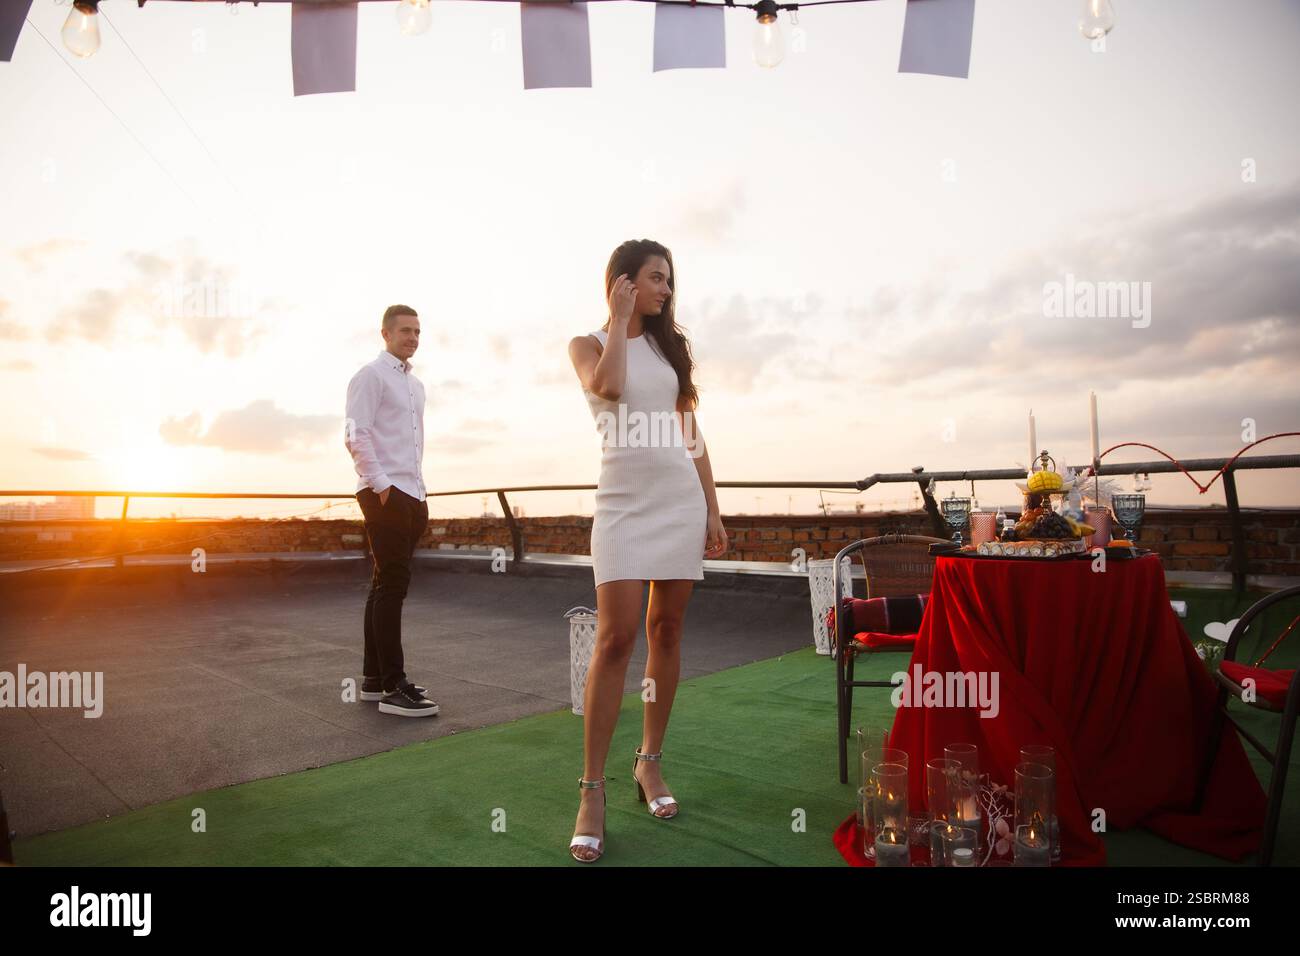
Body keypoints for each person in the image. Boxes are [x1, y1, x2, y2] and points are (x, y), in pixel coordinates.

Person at [565, 240, 729, 862]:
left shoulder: (671, 348)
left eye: (669, 280)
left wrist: (712, 507)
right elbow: (607, 387)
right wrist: (618, 319)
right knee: (615, 640)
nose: (667, 289)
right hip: (623, 506)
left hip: (679, 502)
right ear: (623, 282)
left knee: (667, 630)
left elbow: (693, 434)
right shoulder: (587, 344)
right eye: (656, 278)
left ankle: (650, 763)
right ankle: (591, 790)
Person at [344, 304, 438, 718]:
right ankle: (393, 686)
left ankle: (372, 679)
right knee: (393, 586)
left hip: (411, 494)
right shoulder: (370, 376)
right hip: (385, 493)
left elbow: (411, 443)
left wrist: (419, 494)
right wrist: (382, 487)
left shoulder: (416, 387)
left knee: (384, 583)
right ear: (385, 334)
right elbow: (355, 434)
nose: (412, 338)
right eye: (405, 331)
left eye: (417, 331)